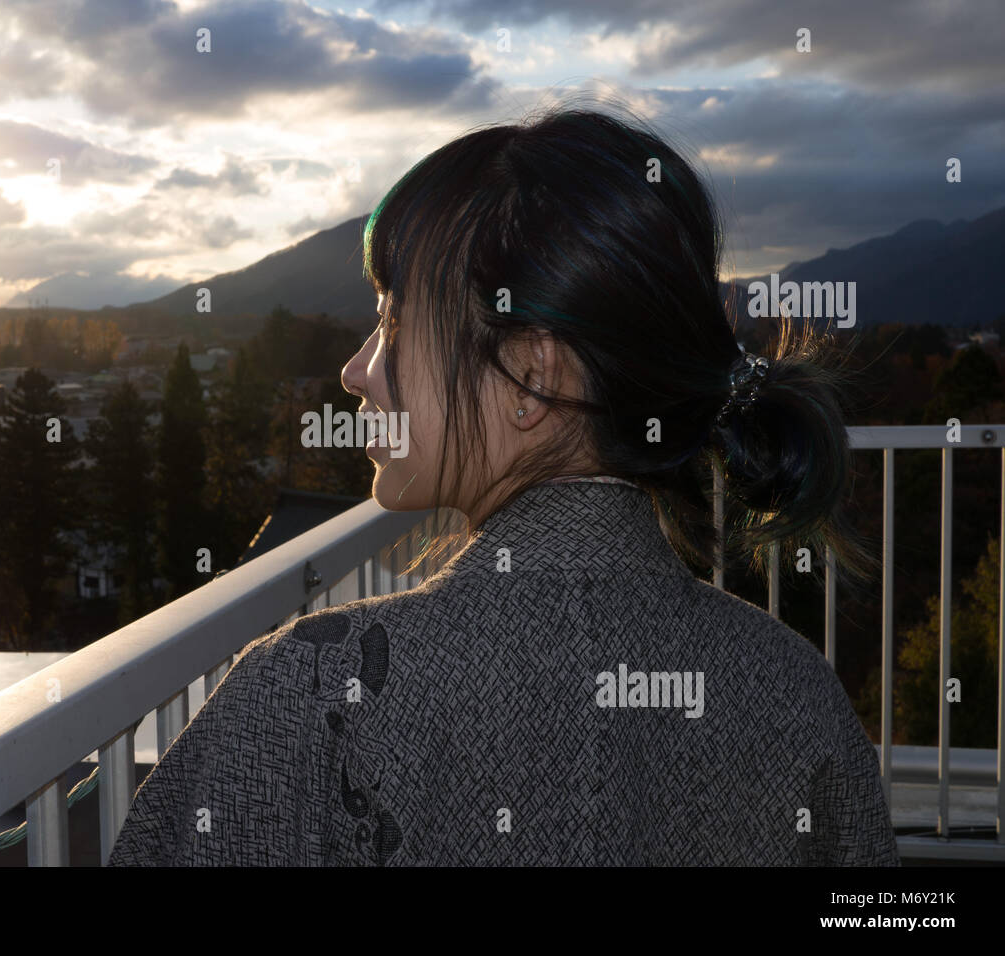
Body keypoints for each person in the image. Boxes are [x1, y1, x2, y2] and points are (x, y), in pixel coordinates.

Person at [107, 103, 899, 866]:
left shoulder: (316, 694)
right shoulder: (797, 693)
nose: (355, 372)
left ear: (530, 374)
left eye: (390, 321)